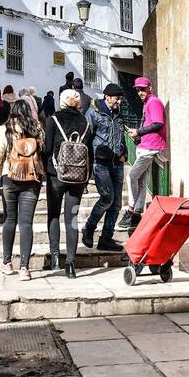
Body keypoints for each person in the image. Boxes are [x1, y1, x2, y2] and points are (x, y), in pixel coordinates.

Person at [0, 99, 44, 280]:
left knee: (9, 220)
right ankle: (25, 268)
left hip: (10, 178)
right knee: (26, 223)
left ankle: (7, 263)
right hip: (32, 179)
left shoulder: (5, 130)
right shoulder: (37, 129)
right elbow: (43, 155)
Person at [43, 89, 89, 278]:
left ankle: (55, 258)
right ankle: (70, 264)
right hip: (78, 178)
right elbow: (89, 152)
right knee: (72, 219)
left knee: (53, 215)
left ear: (62, 102)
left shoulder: (52, 120)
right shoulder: (85, 122)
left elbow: (47, 148)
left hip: (56, 176)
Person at [118, 76, 166, 231]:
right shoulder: (148, 103)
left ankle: (132, 208)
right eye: (137, 89)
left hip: (151, 147)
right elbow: (149, 122)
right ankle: (137, 213)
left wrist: (138, 131)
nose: (140, 92)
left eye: (142, 89)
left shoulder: (154, 102)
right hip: (147, 144)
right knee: (140, 180)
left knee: (131, 176)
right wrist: (139, 136)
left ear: (149, 88)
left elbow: (158, 123)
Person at [83, 84, 127, 252]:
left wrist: (124, 153)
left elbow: (120, 136)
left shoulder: (117, 114)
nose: (119, 101)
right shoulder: (94, 112)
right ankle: (89, 227)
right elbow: (87, 137)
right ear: (107, 97)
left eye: (120, 98)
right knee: (107, 198)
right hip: (101, 163)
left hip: (117, 163)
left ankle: (106, 238)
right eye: (117, 98)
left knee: (116, 204)